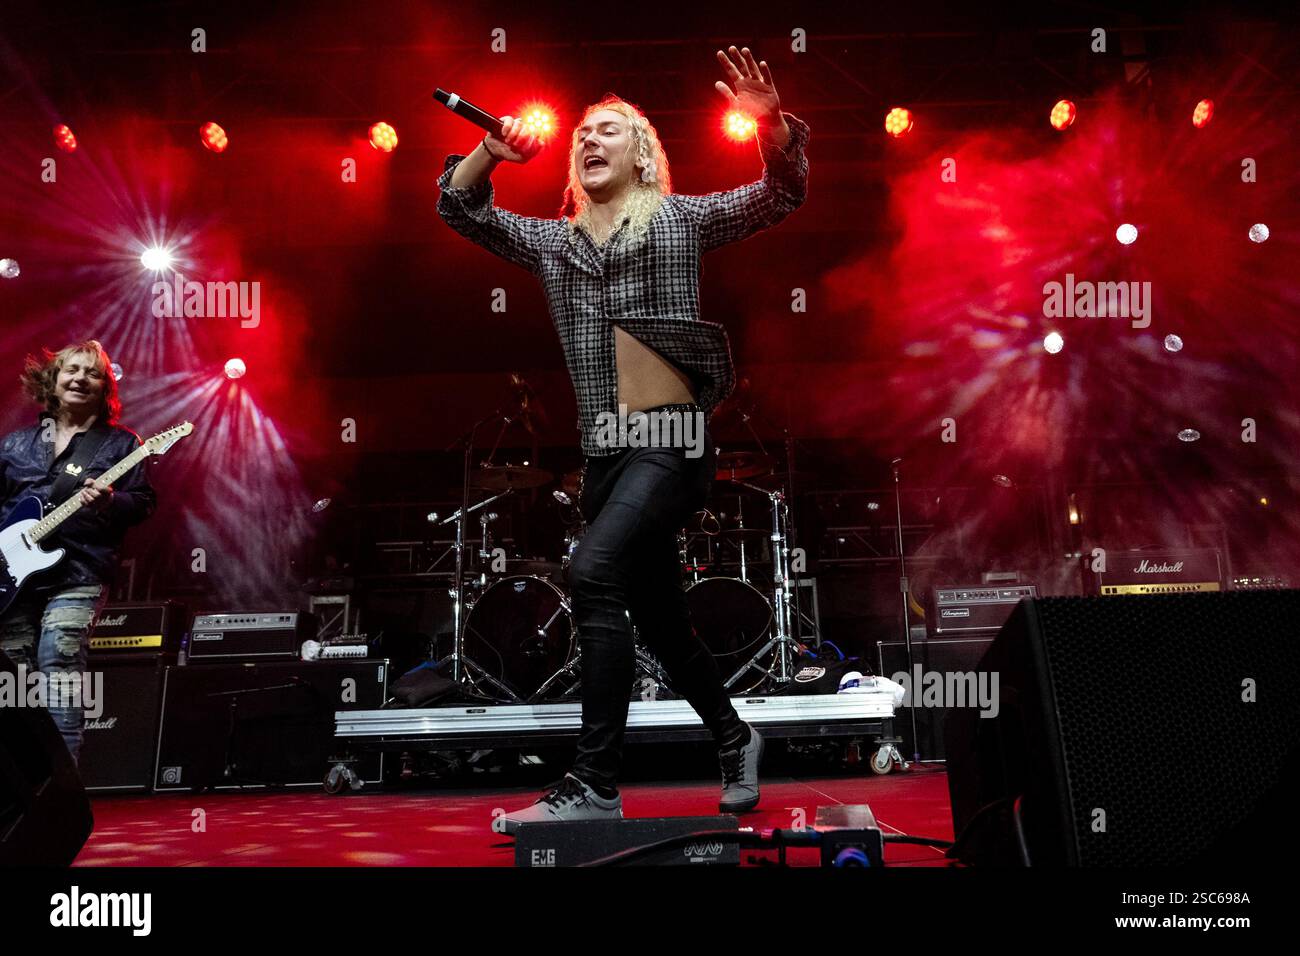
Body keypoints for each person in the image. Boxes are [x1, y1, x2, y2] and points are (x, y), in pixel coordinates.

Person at [436, 46, 809, 829]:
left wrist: (770, 125)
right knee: (662, 622)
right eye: (582, 134)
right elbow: (460, 209)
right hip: (605, 456)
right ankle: (735, 736)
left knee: (593, 571)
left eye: (607, 130)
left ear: (642, 156)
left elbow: (781, 194)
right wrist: (490, 151)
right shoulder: (553, 243)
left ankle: (594, 785)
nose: (588, 139)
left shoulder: (681, 219)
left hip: (671, 437)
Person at [0, 340, 157, 762]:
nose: (80, 378)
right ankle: (26, 778)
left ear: (105, 388)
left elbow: (144, 503)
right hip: (11, 580)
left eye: (92, 373)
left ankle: (64, 782)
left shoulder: (121, 445)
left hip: (79, 572)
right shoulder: (15, 444)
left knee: (59, 661)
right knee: (15, 678)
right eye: (72, 370)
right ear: (53, 380)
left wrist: (110, 501)